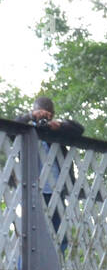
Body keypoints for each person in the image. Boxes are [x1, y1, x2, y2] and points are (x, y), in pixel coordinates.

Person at [16, 96, 83, 254]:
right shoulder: (25, 129)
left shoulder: (56, 131)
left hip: (56, 191)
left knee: (60, 234)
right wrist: (30, 117)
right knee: (29, 234)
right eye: (41, 113)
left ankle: (57, 268)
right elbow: (13, 126)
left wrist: (59, 125)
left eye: (48, 114)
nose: (44, 118)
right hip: (32, 189)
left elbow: (79, 130)